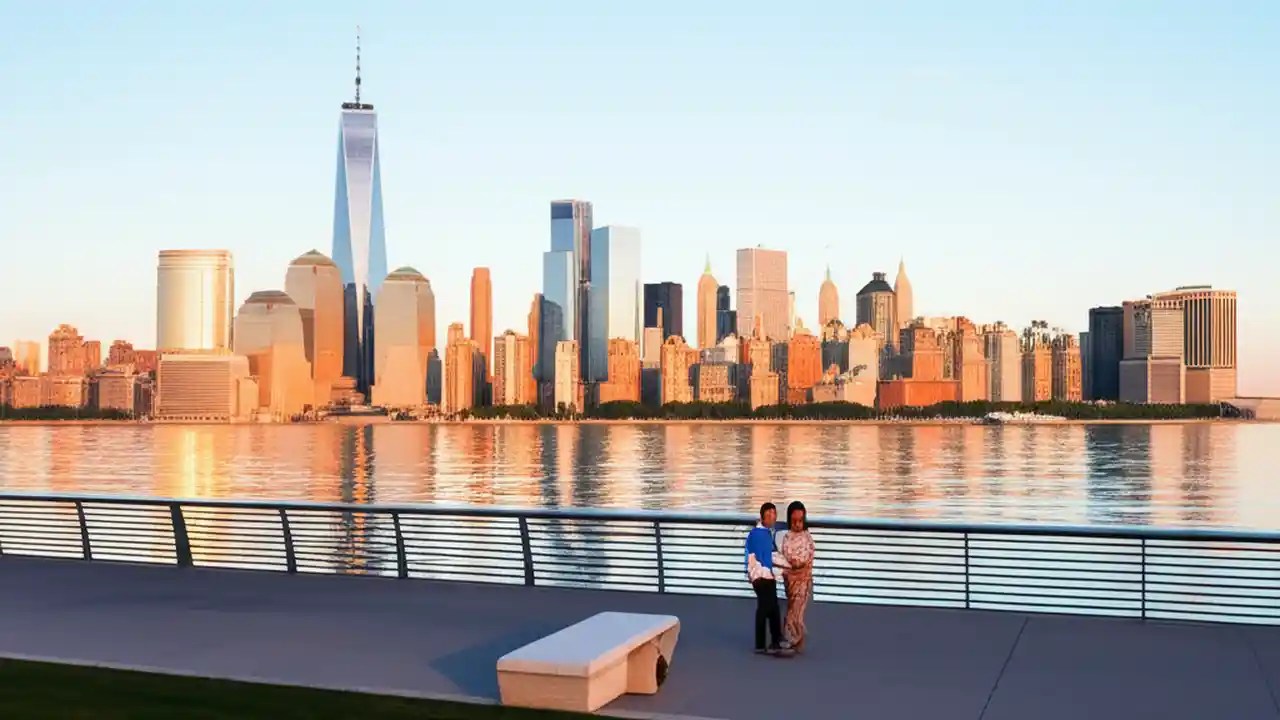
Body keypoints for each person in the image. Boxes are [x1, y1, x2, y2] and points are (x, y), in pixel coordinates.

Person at [744, 502, 784, 654]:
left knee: (768, 607)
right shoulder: (761, 535)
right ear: (762, 517)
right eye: (769, 515)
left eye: (774, 514)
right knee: (769, 608)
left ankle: (767, 642)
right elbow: (765, 558)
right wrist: (780, 571)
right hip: (762, 576)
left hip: (758, 576)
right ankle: (774, 641)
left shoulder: (759, 533)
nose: (772, 517)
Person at [781, 500, 815, 653]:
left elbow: (809, 554)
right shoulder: (787, 537)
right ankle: (795, 639)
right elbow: (785, 552)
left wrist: (799, 563)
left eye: (800, 521)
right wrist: (792, 562)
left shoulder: (807, 537)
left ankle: (794, 638)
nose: (797, 524)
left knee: (795, 612)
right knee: (792, 608)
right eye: (794, 521)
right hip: (790, 579)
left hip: (803, 579)